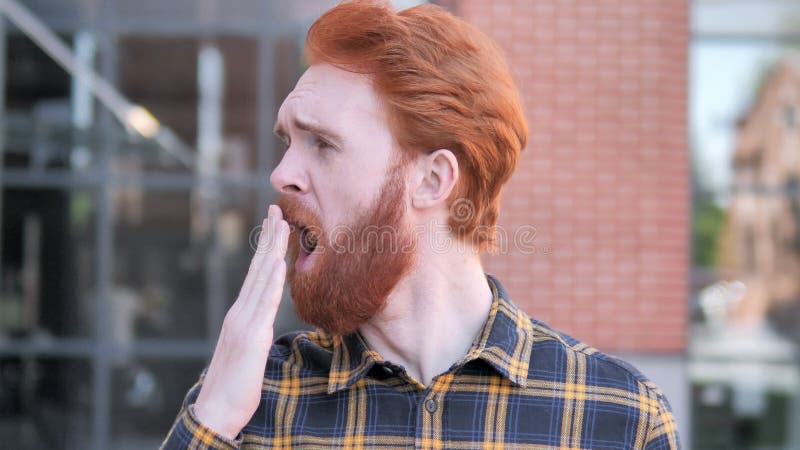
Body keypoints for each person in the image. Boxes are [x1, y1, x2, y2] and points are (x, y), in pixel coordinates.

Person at [161, 1, 681, 448]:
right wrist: (212, 421)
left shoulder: (619, 419)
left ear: (433, 179)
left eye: (322, 143)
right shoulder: (255, 402)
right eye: (287, 141)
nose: (281, 174)